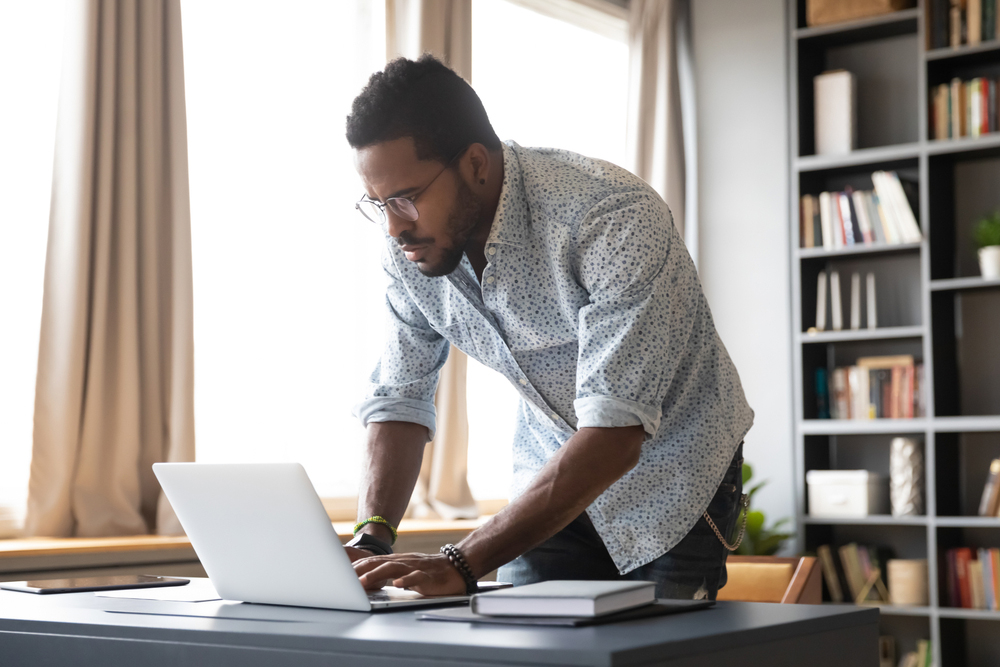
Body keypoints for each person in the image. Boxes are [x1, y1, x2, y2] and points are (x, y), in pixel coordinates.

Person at [343, 54, 753, 600]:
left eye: (406, 199)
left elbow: (613, 433)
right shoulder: (414, 252)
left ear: (474, 165)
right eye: (377, 204)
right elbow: (399, 397)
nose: (393, 228)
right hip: (549, 471)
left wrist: (462, 562)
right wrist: (372, 540)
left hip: (673, 476)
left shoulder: (611, 217)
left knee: (654, 657)